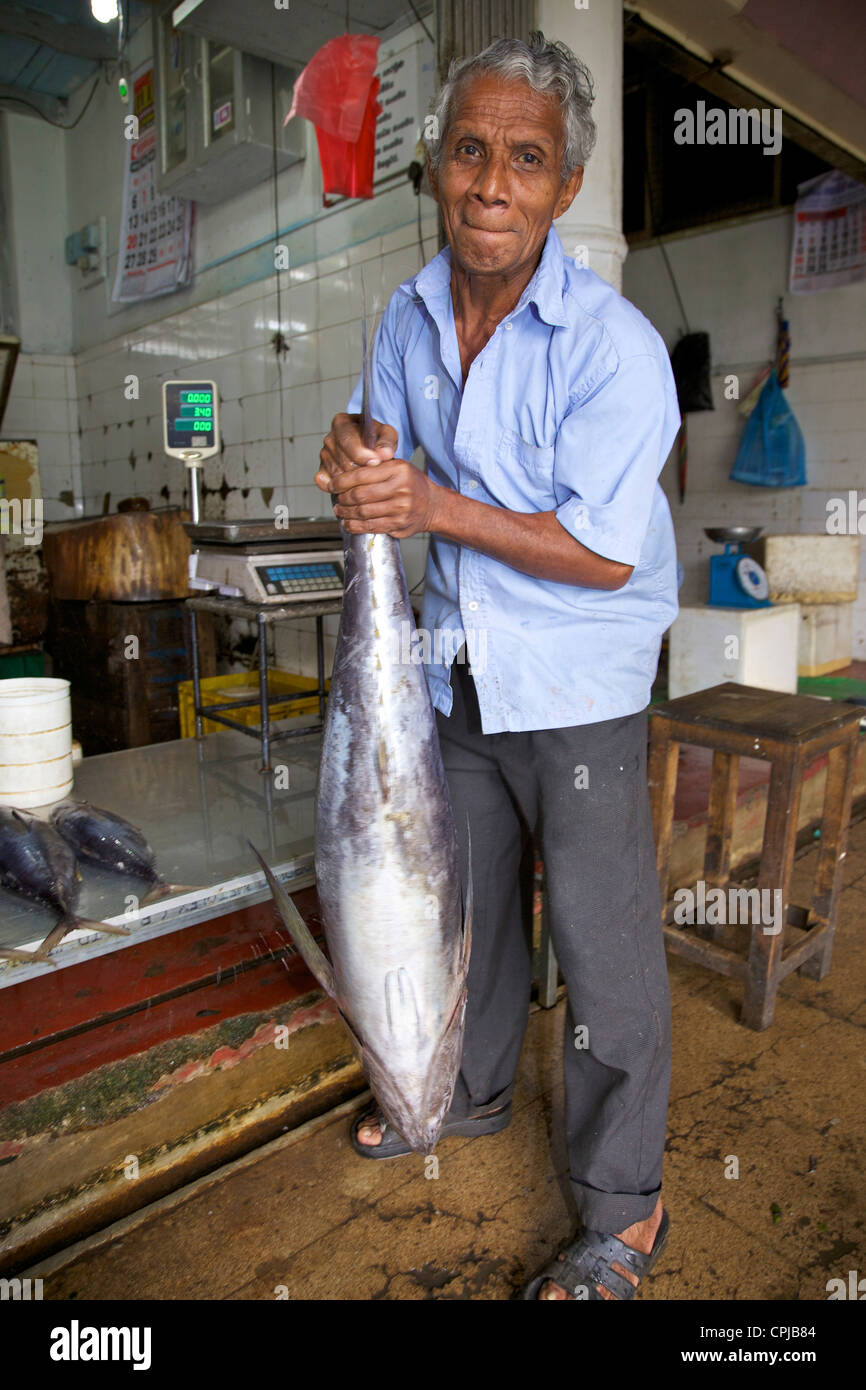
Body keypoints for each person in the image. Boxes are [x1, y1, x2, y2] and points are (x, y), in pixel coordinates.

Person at [315, 30, 680, 1302]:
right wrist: (351, 450)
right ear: (436, 166)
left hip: (574, 689)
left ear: (561, 188)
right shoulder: (407, 317)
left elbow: (595, 552)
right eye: (470, 150)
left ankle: (623, 1210)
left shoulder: (612, 349)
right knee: (462, 907)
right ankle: (459, 1095)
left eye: (524, 159)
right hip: (452, 672)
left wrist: (426, 507)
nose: (490, 182)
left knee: (601, 937)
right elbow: (378, 440)